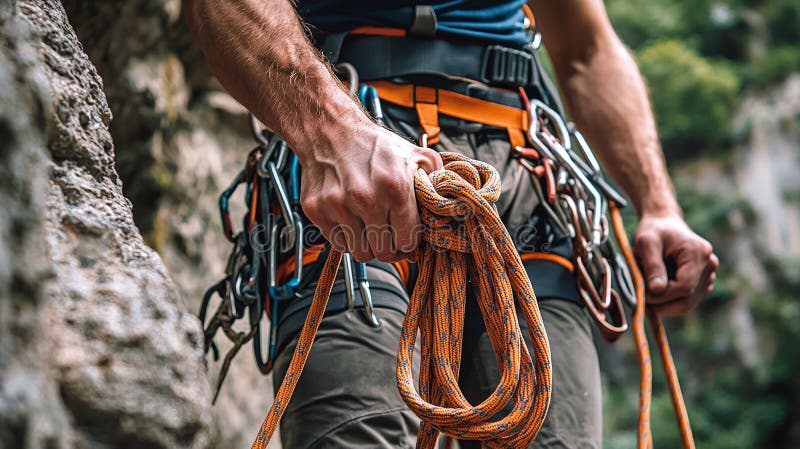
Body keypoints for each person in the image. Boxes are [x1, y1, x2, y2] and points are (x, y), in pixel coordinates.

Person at [185, 1, 720, 447]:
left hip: (520, 166)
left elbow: (587, 49)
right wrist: (331, 133)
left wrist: (658, 204)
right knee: (355, 430)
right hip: (352, 146)